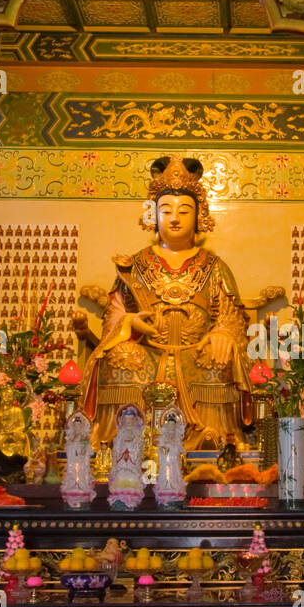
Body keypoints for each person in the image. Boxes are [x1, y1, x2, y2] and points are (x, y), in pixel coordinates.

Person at [80, 156, 254, 450]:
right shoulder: (134, 264)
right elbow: (114, 314)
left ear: (198, 216)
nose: (175, 218)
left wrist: (222, 333)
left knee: (218, 359)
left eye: (184, 211)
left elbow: (230, 315)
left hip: (195, 352)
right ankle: (122, 439)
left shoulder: (214, 266)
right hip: (147, 351)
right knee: (118, 357)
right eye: (166, 210)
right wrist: (130, 324)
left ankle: (211, 436)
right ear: (153, 216)